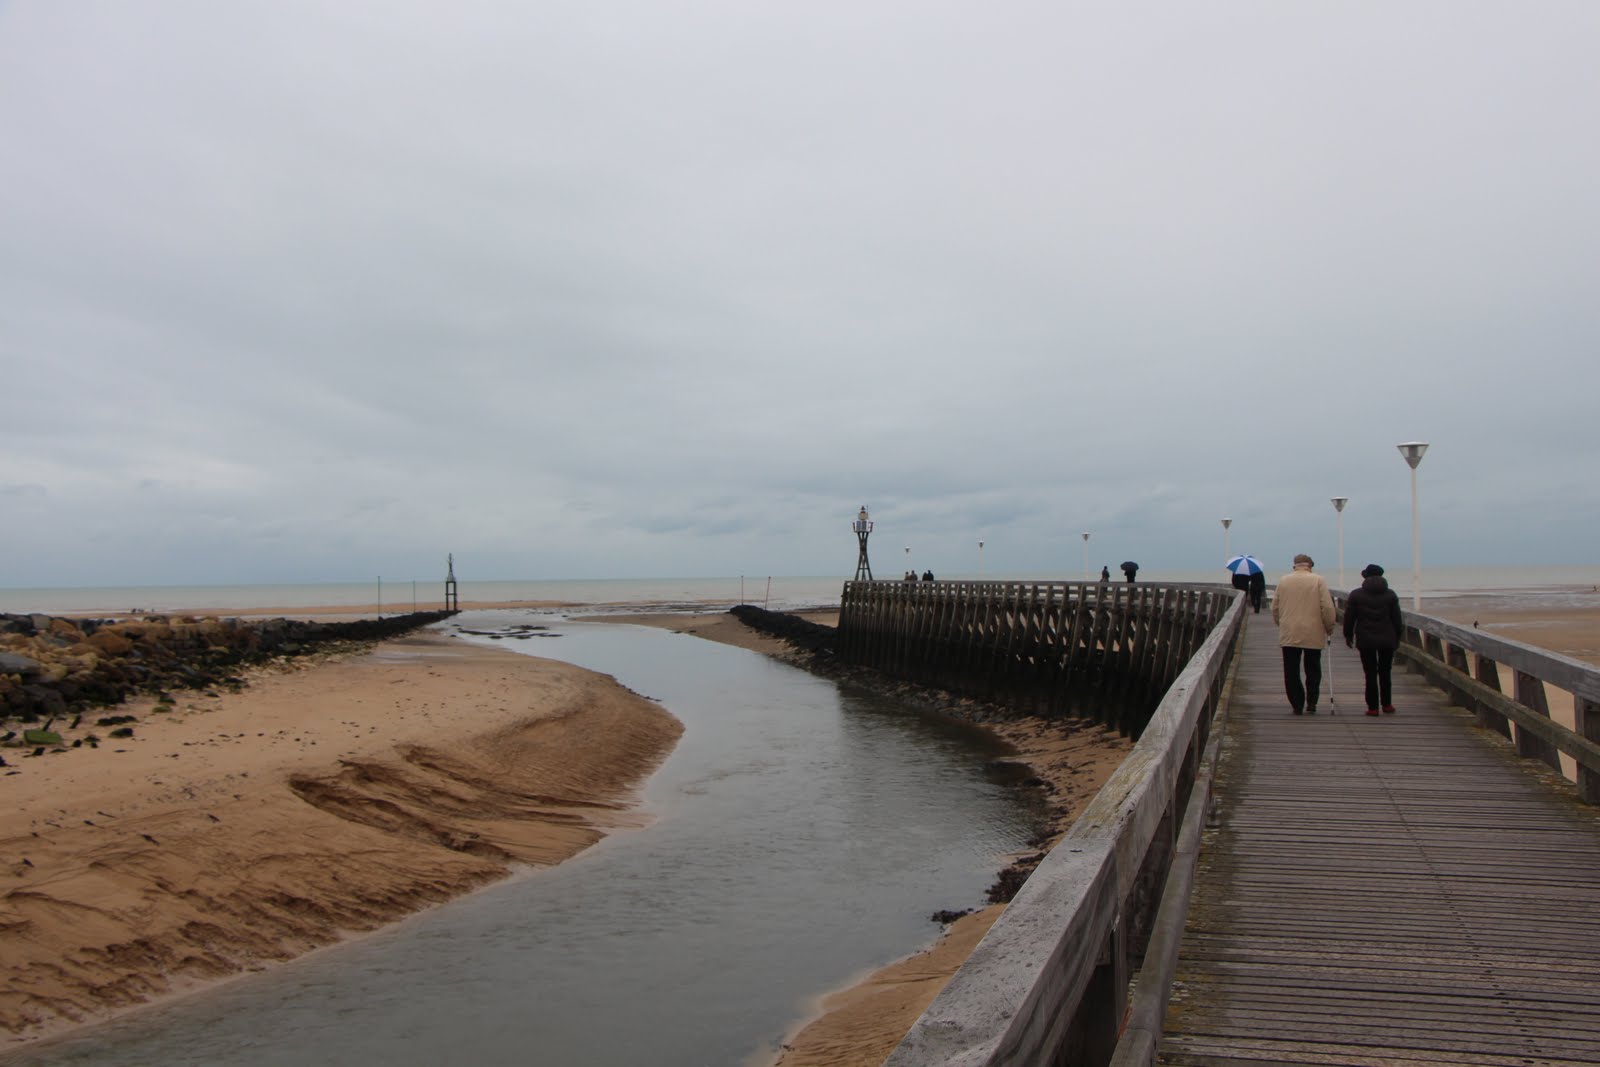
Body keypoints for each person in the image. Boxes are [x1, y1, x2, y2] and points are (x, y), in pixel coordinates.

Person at [1271, 553, 1336, 715]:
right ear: (1310, 566)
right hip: (1313, 630)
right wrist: (1329, 627)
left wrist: (1281, 623)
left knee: (1291, 670)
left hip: (1289, 631)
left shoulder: (1284, 580)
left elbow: (1275, 607)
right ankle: (1312, 701)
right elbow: (1327, 607)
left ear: (1294, 565)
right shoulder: (1318, 580)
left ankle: (1297, 703)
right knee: (1313, 668)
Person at [1343, 563, 1404, 715]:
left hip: (1365, 639)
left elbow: (1349, 618)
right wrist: (1398, 636)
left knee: (1370, 673)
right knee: (1385, 672)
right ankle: (1387, 705)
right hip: (1387, 638)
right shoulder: (1390, 594)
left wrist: (1348, 635)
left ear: (1365, 577)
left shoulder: (1356, 595)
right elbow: (1397, 619)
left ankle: (1373, 708)